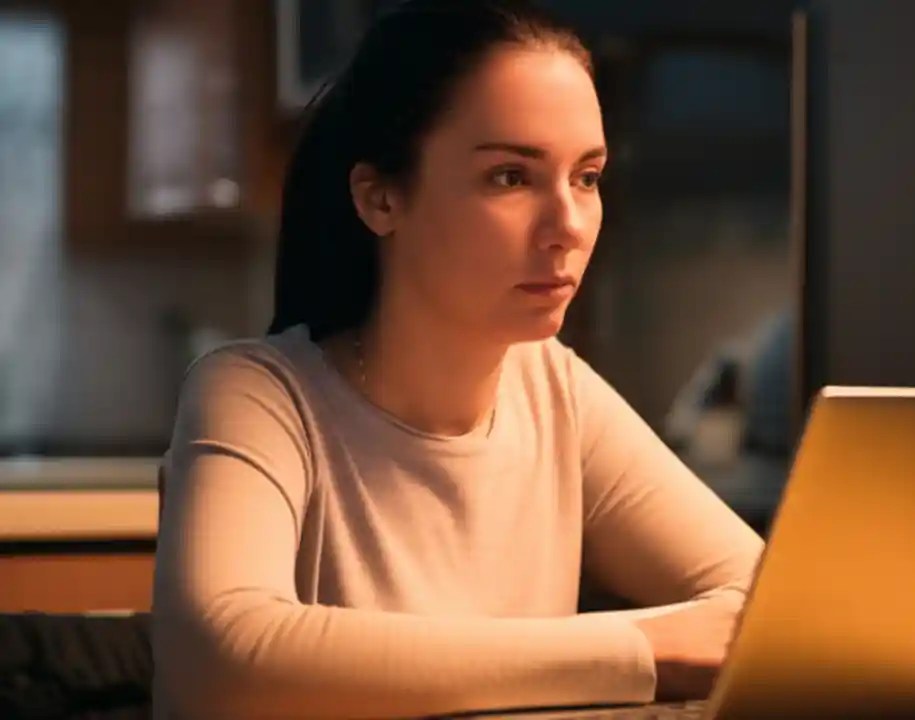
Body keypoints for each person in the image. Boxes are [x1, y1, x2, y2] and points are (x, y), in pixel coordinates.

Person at [149, 1, 764, 717]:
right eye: (511, 177)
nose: (567, 225)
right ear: (380, 198)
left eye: (587, 177)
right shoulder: (258, 395)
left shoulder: (555, 391)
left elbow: (768, 608)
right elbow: (223, 657)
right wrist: (642, 647)